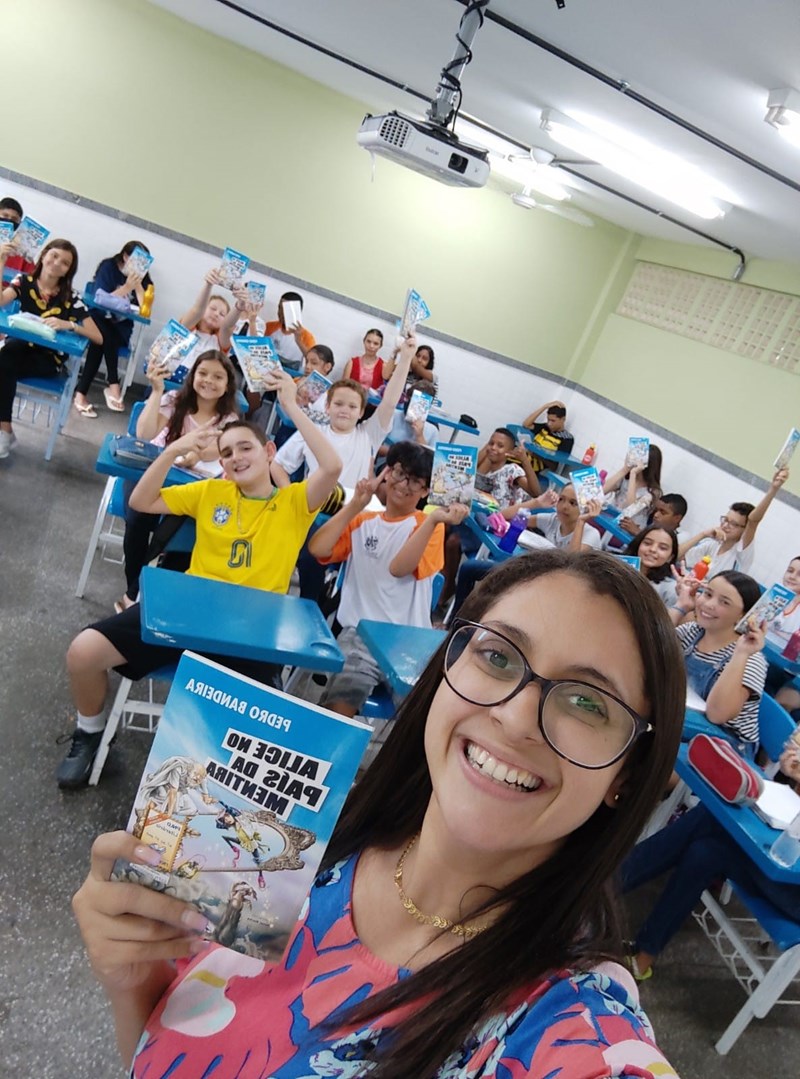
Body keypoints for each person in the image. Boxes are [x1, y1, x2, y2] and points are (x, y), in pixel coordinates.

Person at [73, 549, 685, 1077]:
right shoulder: (298, 844)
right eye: (498, 657)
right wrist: (136, 979)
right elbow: (168, 1056)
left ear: (626, 777)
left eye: (587, 702)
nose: (515, 717)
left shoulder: (569, 1023)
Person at [56, 373, 342, 789]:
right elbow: (141, 501)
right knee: (83, 651)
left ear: (268, 451)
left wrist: (292, 406)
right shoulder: (211, 492)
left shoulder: (294, 502)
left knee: (250, 724)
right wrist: (173, 450)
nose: (236, 457)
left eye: (246, 448)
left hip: (252, 634)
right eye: (227, 453)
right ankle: (91, 733)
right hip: (186, 614)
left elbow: (332, 465)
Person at [309, 442, 466, 718]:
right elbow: (317, 548)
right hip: (360, 635)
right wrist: (354, 505)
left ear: (426, 490)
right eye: (398, 473)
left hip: (410, 642)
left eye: (415, 481)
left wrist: (432, 520)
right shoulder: (363, 520)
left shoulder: (429, 526)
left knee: (422, 719)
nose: (403, 484)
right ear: (386, 473)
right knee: (339, 707)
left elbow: (400, 568)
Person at [622, 742, 800, 981]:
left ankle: (592, 891)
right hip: (787, 864)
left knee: (711, 825)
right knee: (705, 851)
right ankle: (642, 956)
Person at [273, 335, 419, 602]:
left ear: (362, 412)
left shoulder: (368, 435)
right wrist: (292, 495)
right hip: (312, 513)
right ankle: (309, 600)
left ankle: (329, 597)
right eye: (338, 404)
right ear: (327, 406)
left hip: (353, 515)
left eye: (353, 406)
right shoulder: (312, 431)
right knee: (308, 562)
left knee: (353, 569)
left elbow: (389, 401)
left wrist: (406, 357)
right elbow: (279, 466)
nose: (345, 410)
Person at [116, 349, 241, 612]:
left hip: (191, 485)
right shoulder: (174, 399)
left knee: (177, 527)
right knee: (138, 515)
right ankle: (135, 587)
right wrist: (157, 390)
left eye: (218, 377)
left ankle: (139, 593)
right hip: (154, 473)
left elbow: (214, 451)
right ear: (192, 375)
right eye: (203, 373)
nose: (209, 380)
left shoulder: (229, 419)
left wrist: (195, 455)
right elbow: (144, 433)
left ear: (228, 385)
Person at [0, 238, 102, 458]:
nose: (57, 263)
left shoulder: (71, 298)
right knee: (7, 355)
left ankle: (4, 432)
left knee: (3, 364)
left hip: (47, 359)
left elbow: (98, 337)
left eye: (64, 262)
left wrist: (70, 324)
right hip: (16, 351)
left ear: (68, 271)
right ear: (44, 255)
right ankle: (5, 429)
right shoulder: (23, 282)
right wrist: (1, 260)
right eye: (54, 256)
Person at [448, 482, 599, 619]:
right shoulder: (553, 519)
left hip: (558, 591)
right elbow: (501, 517)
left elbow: (571, 564)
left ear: (585, 508)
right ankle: (456, 622)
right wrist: (536, 503)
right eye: (561, 499)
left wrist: (581, 521)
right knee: (469, 568)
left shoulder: (591, 534)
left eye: (573, 503)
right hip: (534, 576)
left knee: (498, 590)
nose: (564, 506)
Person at [440, 428, 544, 608]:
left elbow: (535, 492)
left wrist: (525, 460)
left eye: (500, 445)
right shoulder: (485, 469)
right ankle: (444, 580)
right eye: (491, 443)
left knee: (453, 539)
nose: (493, 448)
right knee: (445, 527)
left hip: (498, 532)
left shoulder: (512, 470)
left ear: (510, 451)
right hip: (477, 523)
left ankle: (448, 585)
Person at [668, 570, 768, 746]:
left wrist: (741, 653)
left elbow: (717, 714)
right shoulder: (693, 631)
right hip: (681, 724)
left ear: (743, 615)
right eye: (707, 594)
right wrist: (681, 606)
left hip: (723, 745)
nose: (709, 604)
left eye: (724, 602)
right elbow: (649, 650)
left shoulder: (751, 658)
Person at [73, 241, 155, 416]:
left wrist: (138, 284)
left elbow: (144, 310)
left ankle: (81, 395)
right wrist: (126, 288)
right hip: (98, 318)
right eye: (136, 261)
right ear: (125, 257)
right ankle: (113, 385)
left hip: (121, 328)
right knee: (101, 337)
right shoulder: (108, 267)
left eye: (143, 264)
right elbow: (99, 299)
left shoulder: (144, 278)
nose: (141, 267)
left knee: (102, 340)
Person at [678, 467, 789, 576]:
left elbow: (753, 521)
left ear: (744, 530)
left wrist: (773, 489)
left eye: (734, 524)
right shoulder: (712, 545)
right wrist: (702, 535)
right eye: (725, 520)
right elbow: (675, 557)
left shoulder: (741, 553)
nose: (725, 525)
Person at [178, 270, 240, 368]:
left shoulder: (220, 342)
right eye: (213, 308)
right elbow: (197, 310)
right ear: (204, 309)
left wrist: (239, 306)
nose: (216, 314)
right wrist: (208, 284)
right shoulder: (188, 329)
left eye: (222, 314)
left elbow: (227, 326)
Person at [603, 444, 663, 535]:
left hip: (626, 532)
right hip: (609, 521)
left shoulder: (653, 492)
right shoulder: (625, 478)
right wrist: (624, 469)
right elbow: (601, 491)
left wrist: (633, 474)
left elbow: (629, 509)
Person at [377, 379, 438, 461]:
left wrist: (420, 436)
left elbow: (431, 461)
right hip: (388, 462)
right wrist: (400, 455)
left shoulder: (432, 430)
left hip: (415, 469)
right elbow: (374, 445)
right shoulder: (392, 415)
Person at [624, 525, 679, 607]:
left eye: (662, 548)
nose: (653, 549)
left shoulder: (670, 589)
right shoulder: (617, 568)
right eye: (647, 543)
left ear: (670, 557)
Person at [521, 399, 575, 474]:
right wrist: (545, 406)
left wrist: (536, 454)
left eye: (553, 421)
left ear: (563, 419)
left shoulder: (566, 438)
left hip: (535, 465)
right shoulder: (545, 427)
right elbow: (526, 424)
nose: (549, 423)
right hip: (525, 456)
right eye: (548, 420)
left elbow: (555, 466)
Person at [0, 195, 35, 276]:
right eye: (5, 216)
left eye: (14, 219)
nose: (9, 220)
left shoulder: (23, 254)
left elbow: (30, 282)